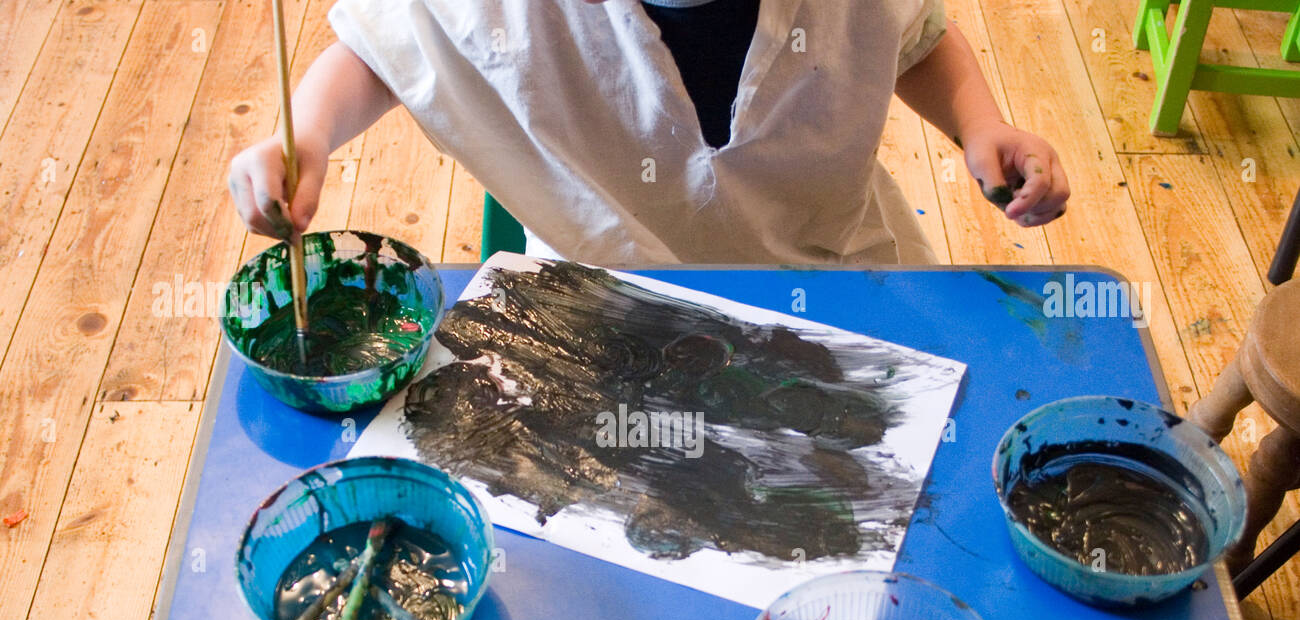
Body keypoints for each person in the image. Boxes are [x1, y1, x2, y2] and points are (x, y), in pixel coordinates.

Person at [229, 0, 1069, 266]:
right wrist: (302, 139)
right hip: (608, 298)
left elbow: (912, 35)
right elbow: (383, 47)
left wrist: (981, 124)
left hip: (833, 269)